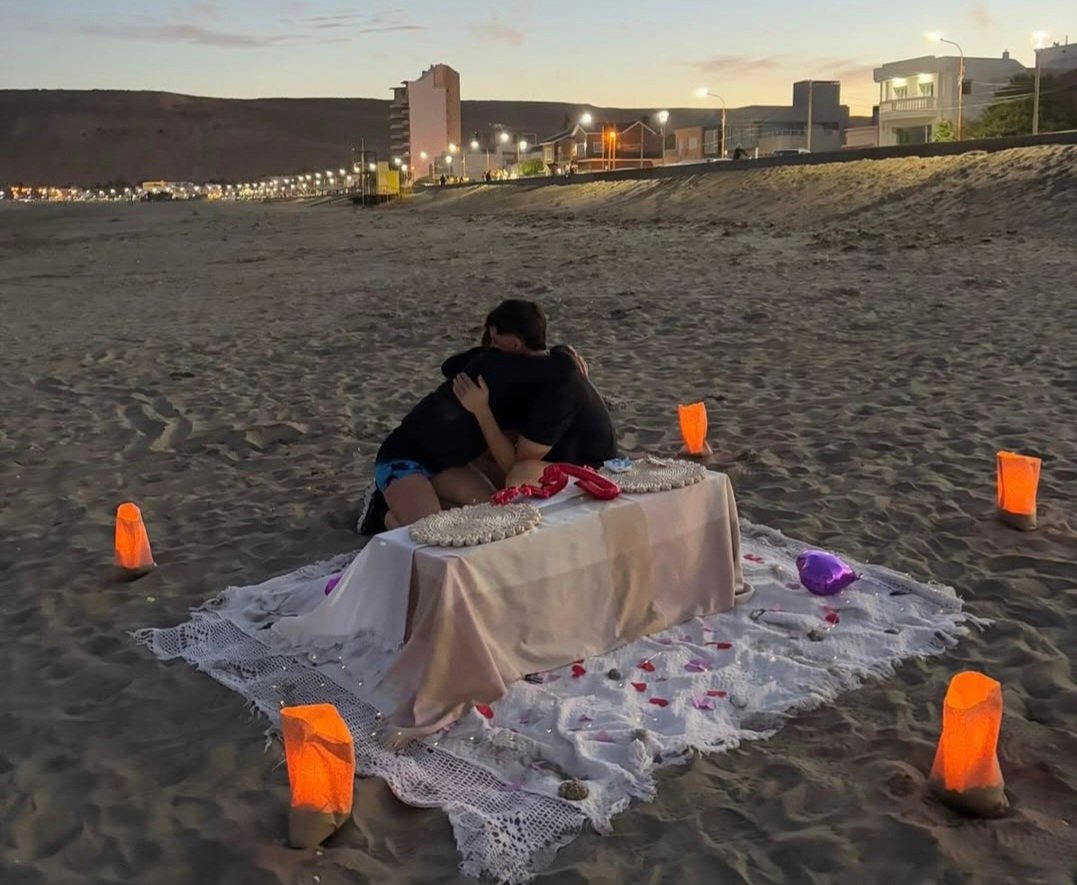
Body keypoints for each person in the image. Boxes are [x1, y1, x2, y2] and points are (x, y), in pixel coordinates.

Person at [359, 302, 580, 534]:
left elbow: (450, 365)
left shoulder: (509, 366)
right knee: (432, 532)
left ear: (515, 343)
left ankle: (411, 505)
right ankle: (384, 514)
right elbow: (565, 366)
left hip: (448, 464)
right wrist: (563, 351)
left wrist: (562, 350)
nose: (490, 345)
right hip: (403, 457)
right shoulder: (494, 362)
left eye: (495, 340)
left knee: (491, 516)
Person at [442, 300, 619, 490]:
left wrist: (481, 410)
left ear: (516, 344)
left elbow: (515, 466)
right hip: (556, 462)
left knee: (521, 474)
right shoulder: (538, 370)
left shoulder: (559, 387)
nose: (490, 350)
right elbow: (451, 366)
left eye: (495, 342)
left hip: (595, 471)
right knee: (474, 454)